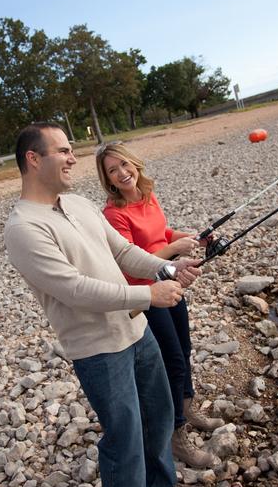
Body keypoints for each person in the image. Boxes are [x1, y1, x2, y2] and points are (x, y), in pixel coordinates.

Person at [3, 122, 206, 487]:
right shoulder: (22, 228)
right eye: (63, 150)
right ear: (34, 160)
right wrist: (147, 297)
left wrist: (166, 271)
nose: (73, 158)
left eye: (71, 149)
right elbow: (75, 289)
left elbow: (122, 253)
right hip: (98, 349)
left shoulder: (76, 204)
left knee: (157, 417)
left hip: (137, 333)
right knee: (124, 440)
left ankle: (159, 483)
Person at [95, 143, 224, 470]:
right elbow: (129, 263)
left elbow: (162, 233)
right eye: (113, 170)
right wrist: (173, 249)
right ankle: (177, 435)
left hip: (169, 281)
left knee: (184, 347)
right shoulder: (113, 213)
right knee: (172, 360)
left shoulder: (147, 194)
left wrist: (195, 239)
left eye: (124, 164)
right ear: (107, 179)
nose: (123, 173)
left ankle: (188, 407)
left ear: (135, 164)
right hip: (147, 293)